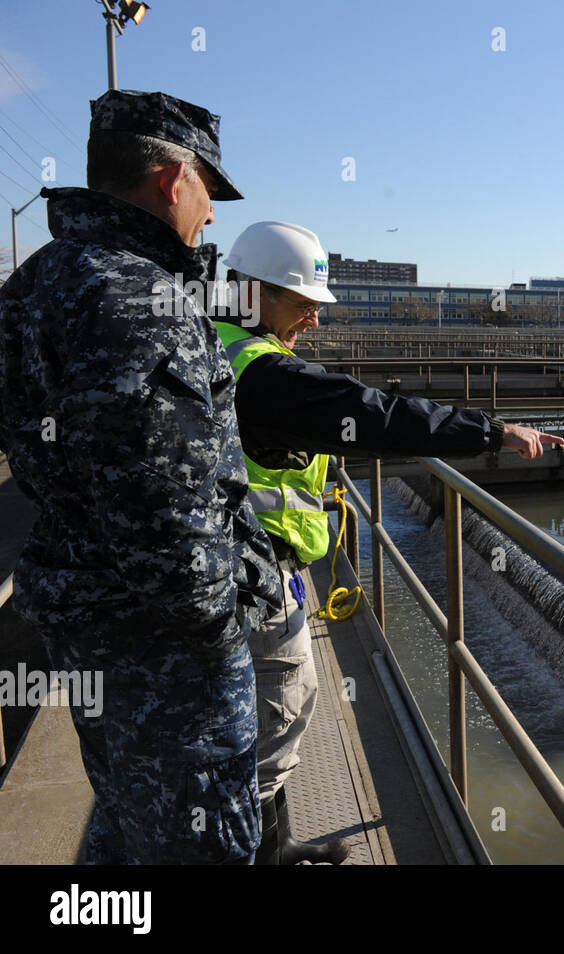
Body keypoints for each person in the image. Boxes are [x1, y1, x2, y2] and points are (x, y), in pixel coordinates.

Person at [215, 220, 564, 864]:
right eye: (303, 306)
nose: (314, 323)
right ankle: (263, 855)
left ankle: (280, 841)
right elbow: (377, 414)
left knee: (271, 717)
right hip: (256, 577)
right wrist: (491, 432)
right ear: (255, 293)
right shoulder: (262, 373)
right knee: (276, 717)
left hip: (246, 566)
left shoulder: (216, 345)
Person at [0, 90, 280, 864]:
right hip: (168, 654)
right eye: (208, 192)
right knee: (202, 845)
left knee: (127, 821)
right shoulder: (137, 296)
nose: (211, 215)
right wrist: (226, 618)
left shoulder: (39, 282)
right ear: (169, 179)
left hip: (90, 620)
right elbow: (165, 519)